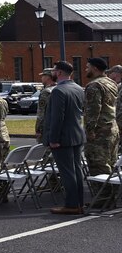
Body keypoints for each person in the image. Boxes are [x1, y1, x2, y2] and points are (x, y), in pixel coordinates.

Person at [44, 60, 87, 215]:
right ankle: (78, 203)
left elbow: (57, 118)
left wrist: (53, 139)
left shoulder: (57, 91)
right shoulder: (78, 88)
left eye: (54, 71)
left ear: (59, 73)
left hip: (63, 137)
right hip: (76, 134)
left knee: (67, 172)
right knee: (76, 169)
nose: (52, 73)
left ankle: (72, 205)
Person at [83, 57, 119, 175]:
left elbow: (93, 111)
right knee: (111, 163)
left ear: (95, 68)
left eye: (88, 67)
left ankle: (103, 193)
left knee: (98, 166)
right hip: (112, 128)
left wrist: (89, 131)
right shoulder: (111, 83)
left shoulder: (94, 85)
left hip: (99, 132)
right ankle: (112, 192)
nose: (85, 70)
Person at [35, 69, 56, 144]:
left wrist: (38, 129)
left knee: (44, 152)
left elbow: (42, 113)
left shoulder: (46, 92)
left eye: (43, 76)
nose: (41, 78)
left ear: (48, 77)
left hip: (46, 127)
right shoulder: (59, 88)